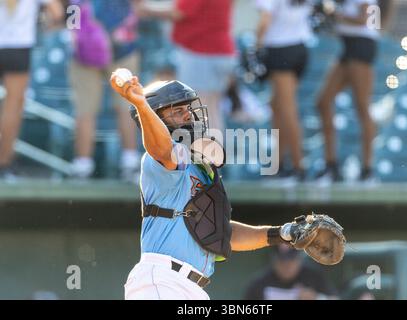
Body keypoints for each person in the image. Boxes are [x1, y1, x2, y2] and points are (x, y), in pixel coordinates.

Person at [109, 73, 344, 300]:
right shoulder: (158, 161)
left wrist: (282, 233)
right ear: (155, 119)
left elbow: (219, 231)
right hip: (161, 280)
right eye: (178, 111)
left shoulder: (198, 165)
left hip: (189, 286)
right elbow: (161, 150)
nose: (188, 116)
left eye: (188, 109)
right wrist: (142, 105)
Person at [69, 0, 142, 182]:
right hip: (117, 43)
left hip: (90, 46)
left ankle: (83, 165)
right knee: (125, 106)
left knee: (88, 108)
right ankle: (129, 162)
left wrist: (75, 33)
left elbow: (72, 8)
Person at [137, 0, 236, 134]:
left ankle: (207, 153)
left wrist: (146, 8)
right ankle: (215, 153)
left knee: (199, 108)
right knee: (212, 109)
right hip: (219, 50)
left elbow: (179, 12)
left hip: (201, 51)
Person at [315, 0, 379, 184]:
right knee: (323, 102)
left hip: (361, 47)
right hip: (348, 47)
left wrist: (334, 14)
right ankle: (331, 165)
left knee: (361, 106)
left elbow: (363, 19)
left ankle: (368, 169)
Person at [0, 0, 63, 180]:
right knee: (12, 107)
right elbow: (56, 12)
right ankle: (4, 163)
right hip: (19, 47)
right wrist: (44, 25)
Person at [255, 0, 314, 181]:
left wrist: (256, 47)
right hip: (300, 47)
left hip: (280, 49)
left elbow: (265, 21)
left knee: (288, 110)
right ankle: (279, 163)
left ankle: (299, 166)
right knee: (278, 106)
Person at [244, 244, 338, 300]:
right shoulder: (259, 283)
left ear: (299, 260)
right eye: (282, 261)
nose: (287, 266)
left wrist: (316, 298)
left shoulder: (313, 276)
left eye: (291, 261)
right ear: (274, 261)